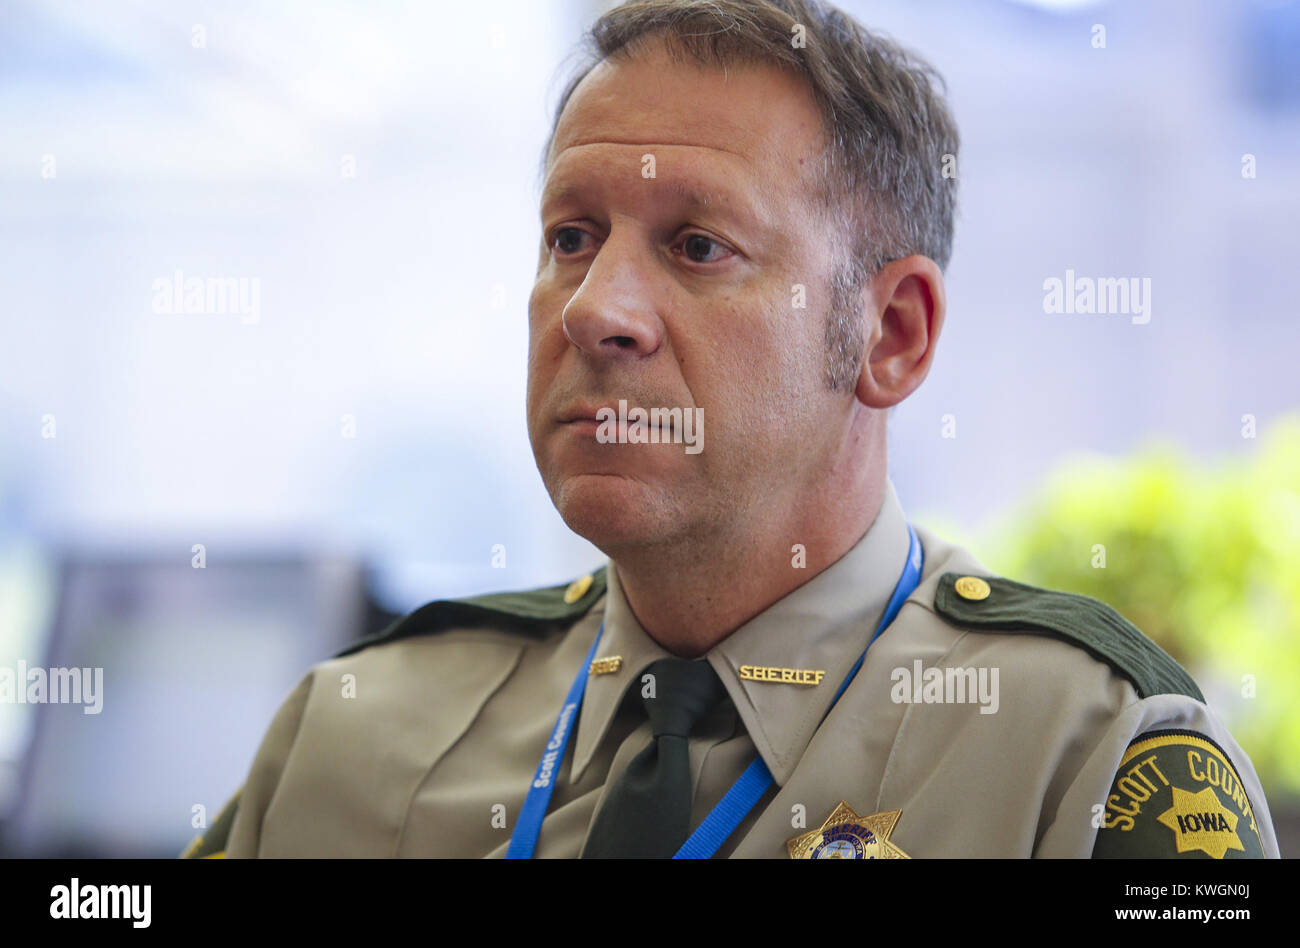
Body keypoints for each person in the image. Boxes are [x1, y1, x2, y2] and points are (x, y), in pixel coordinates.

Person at [183, 0, 1279, 860]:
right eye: (572, 236)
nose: (593, 309)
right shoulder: (348, 733)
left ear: (890, 335)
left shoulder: (1087, 764)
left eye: (698, 247)